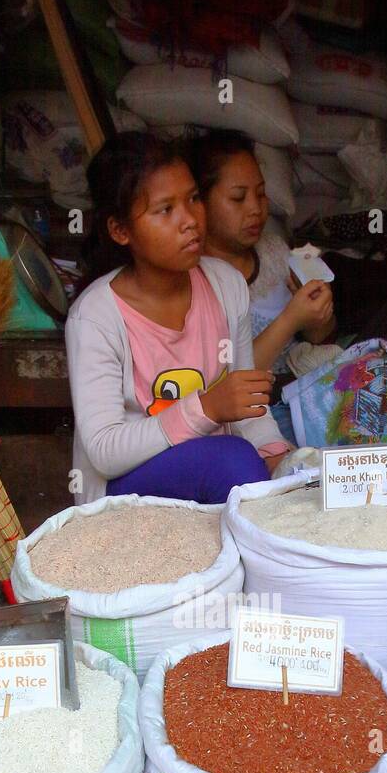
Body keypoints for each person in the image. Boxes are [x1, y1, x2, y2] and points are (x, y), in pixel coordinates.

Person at [65, 132, 290, 505]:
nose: (190, 221)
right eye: (165, 210)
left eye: (194, 199)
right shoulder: (95, 318)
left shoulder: (226, 285)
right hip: (121, 494)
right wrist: (206, 408)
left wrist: (275, 455)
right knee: (231, 459)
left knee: (290, 469)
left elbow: (247, 408)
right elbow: (104, 451)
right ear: (121, 231)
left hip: (217, 472)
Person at [188, 131, 336, 377]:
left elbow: (319, 336)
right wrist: (290, 319)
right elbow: (224, 382)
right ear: (199, 204)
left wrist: (318, 314)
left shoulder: (273, 250)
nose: (256, 208)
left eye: (260, 194)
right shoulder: (198, 284)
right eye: (238, 198)